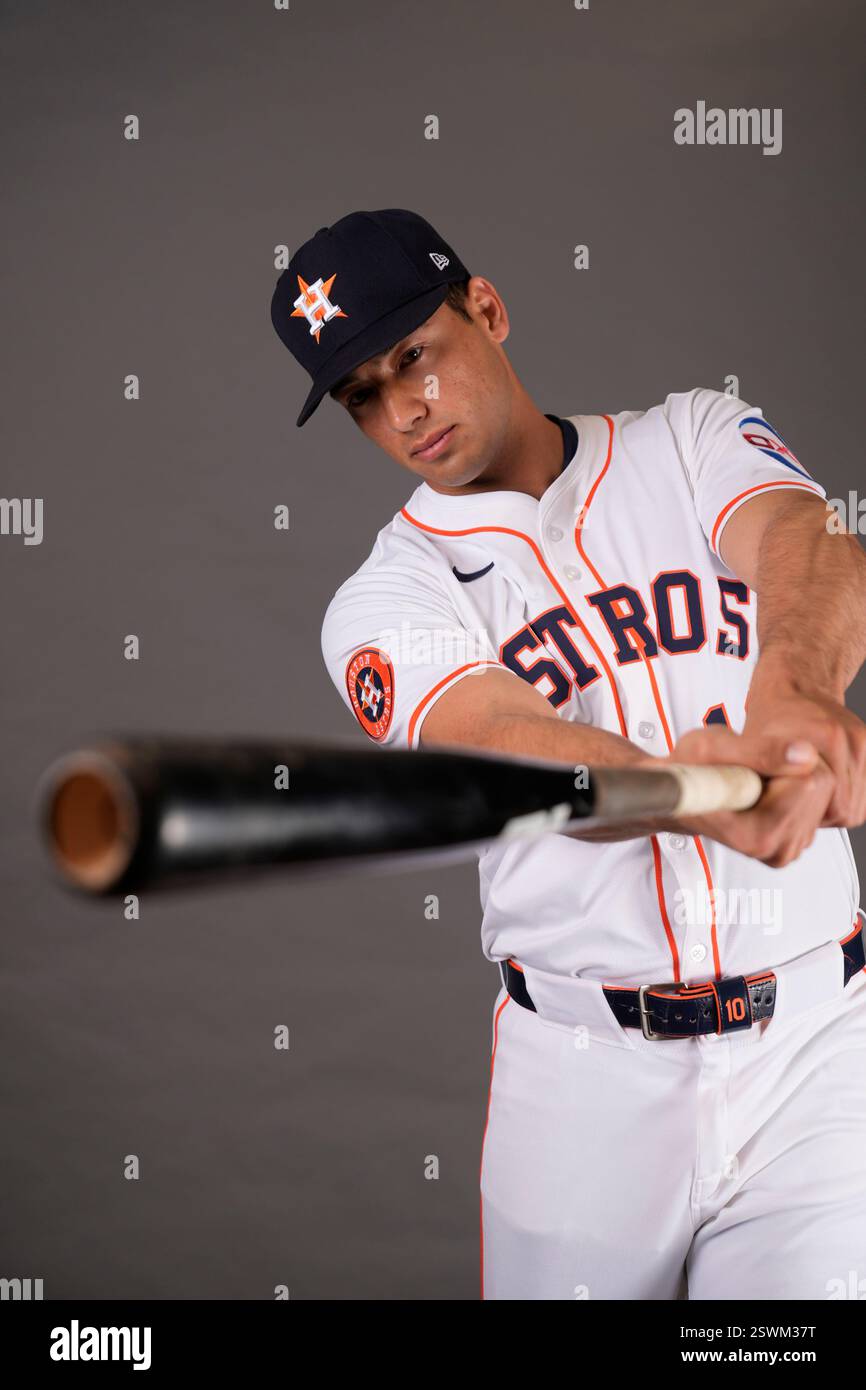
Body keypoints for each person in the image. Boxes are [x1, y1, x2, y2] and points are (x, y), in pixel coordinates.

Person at [270, 207, 866, 1300]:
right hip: (587, 1086)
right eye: (363, 392)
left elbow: (805, 542)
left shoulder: (684, 439)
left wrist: (792, 687)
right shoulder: (380, 598)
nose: (405, 407)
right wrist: (686, 793)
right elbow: (496, 741)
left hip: (813, 1051)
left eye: (414, 355)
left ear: (485, 309)